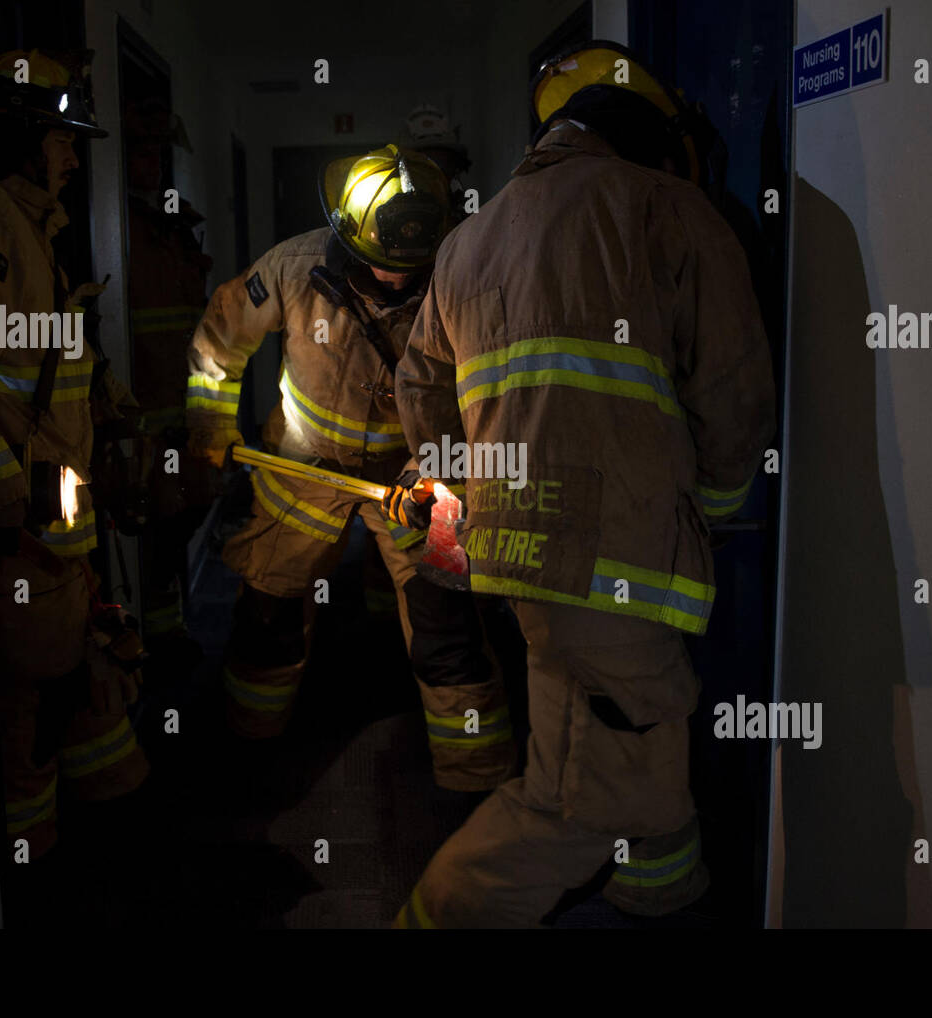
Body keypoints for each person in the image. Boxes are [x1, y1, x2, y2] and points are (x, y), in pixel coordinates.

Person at [392, 41, 776, 927]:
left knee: (615, 750)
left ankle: (661, 897)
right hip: (625, 565)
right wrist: (711, 512)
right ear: (642, 128)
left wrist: (465, 497)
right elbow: (737, 395)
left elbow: (421, 394)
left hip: (525, 563)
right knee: (586, 799)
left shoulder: (468, 242)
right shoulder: (668, 211)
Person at [185, 145, 515, 791]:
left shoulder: (465, 274)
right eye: (380, 267)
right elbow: (220, 342)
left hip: (421, 480)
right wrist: (211, 426)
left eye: (410, 270)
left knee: (448, 624)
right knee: (268, 614)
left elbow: (495, 389)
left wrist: (451, 471)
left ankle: (476, 781)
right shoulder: (292, 266)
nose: (396, 281)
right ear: (345, 236)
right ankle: (248, 755)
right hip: (301, 472)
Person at [0, 48, 148, 861]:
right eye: (60, 138)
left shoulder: (43, 228)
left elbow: (56, 353)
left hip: (63, 499)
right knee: (31, 696)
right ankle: (28, 856)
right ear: (19, 139)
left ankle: (99, 819)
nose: (74, 156)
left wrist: (113, 413)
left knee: (72, 663)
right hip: (29, 516)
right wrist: (7, 499)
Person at [122, 96, 214, 664]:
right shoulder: (114, 224)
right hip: (145, 411)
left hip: (189, 406)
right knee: (158, 521)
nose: (152, 161)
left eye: (158, 151)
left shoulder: (175, 226)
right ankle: (161, 636)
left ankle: (169, 625)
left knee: (193, 504)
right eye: (141, 151)